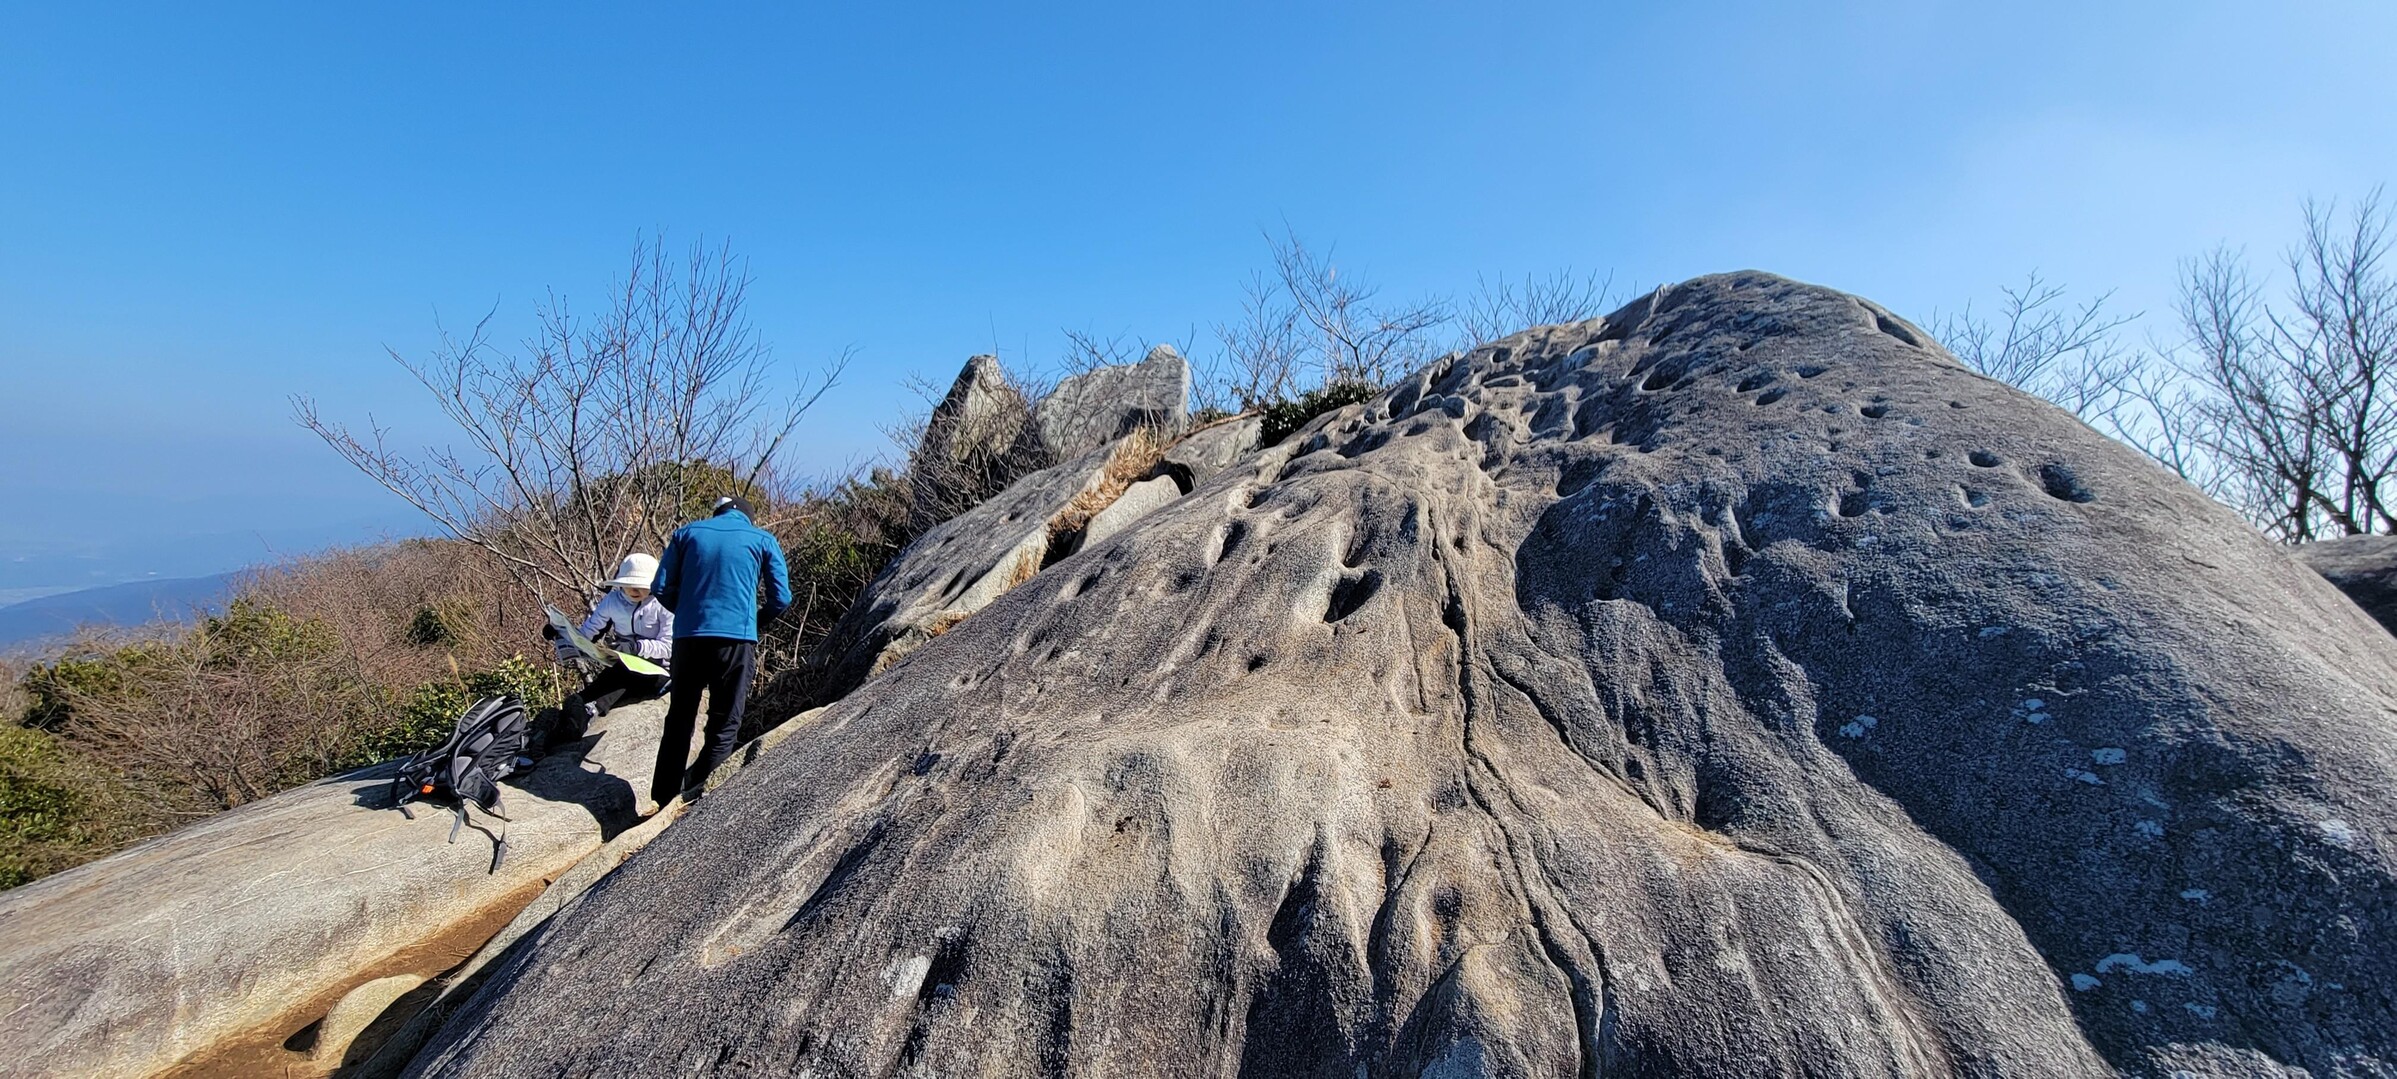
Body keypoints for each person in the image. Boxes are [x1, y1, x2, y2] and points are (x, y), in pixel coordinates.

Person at [648, 495, 790, 803]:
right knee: (724, 724)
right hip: (736, 640)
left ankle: (662, 798)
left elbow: (659, 587)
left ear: (717, 513)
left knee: (680, 719)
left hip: (688, 639)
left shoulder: (686, 534)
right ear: (748, 518)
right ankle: (702, 799)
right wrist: (754, 622)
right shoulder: (762, 539)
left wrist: (686, 613)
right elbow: (781, 599)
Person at [536, 553, 674, 752]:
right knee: (618, 672)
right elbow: (587, 633)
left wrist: (639, 648)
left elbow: (670, 646)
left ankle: (588, 709)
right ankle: (576, 711)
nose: (635, 590)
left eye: (641, 585)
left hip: (662, 671)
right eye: (630, 584)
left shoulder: (664, 603)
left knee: (625, 674)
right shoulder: (613, 601)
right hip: (626, 664)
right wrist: (560, 634)